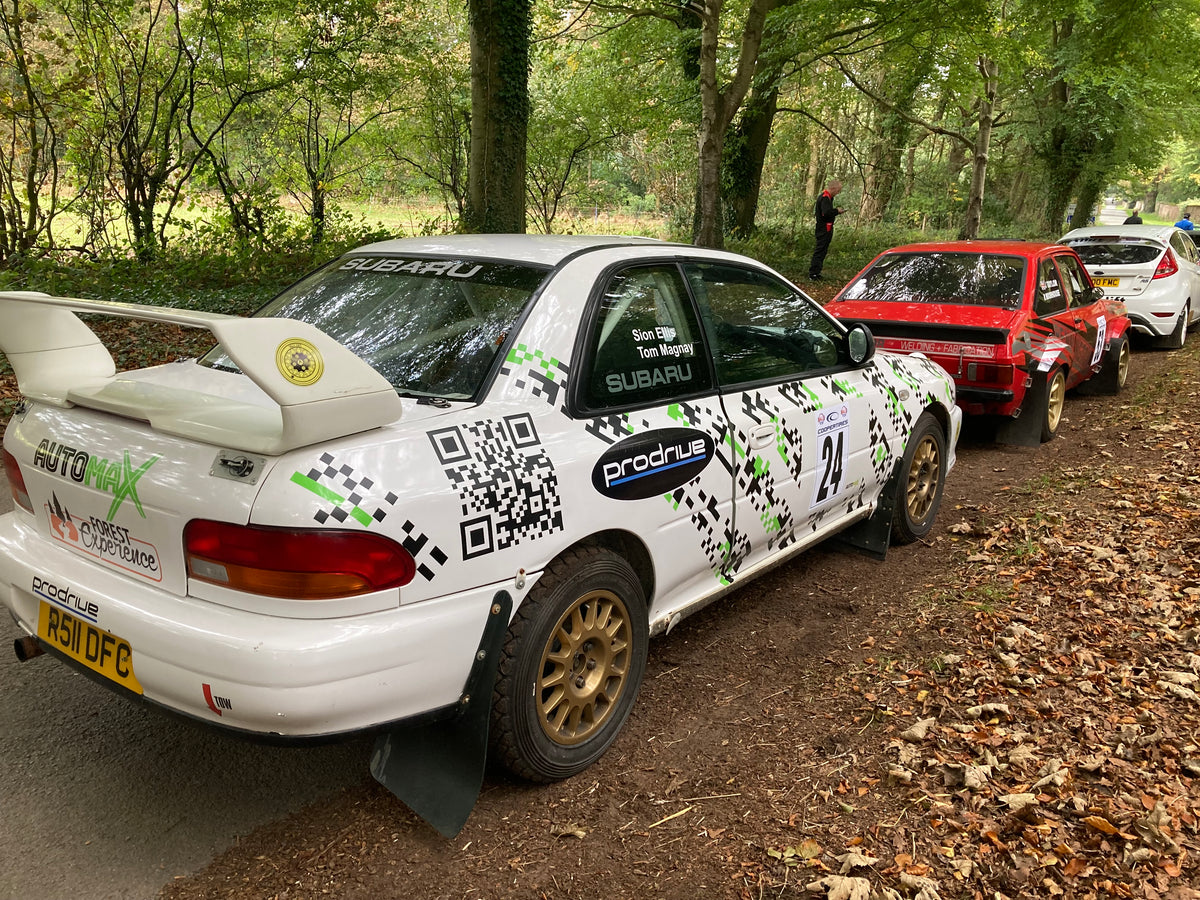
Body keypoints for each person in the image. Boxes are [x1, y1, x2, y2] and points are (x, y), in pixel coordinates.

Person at [808, 179, 844, 281]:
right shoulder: (824, 198)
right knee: (820, 250)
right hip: (823, 229)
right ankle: (813, 273)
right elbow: (826, 213)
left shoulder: (828, 198)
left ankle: (817, 271)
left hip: (826, 228)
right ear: (833, 188)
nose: (838, 193)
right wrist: (836, 211)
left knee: (823, 250)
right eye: (838, 190)